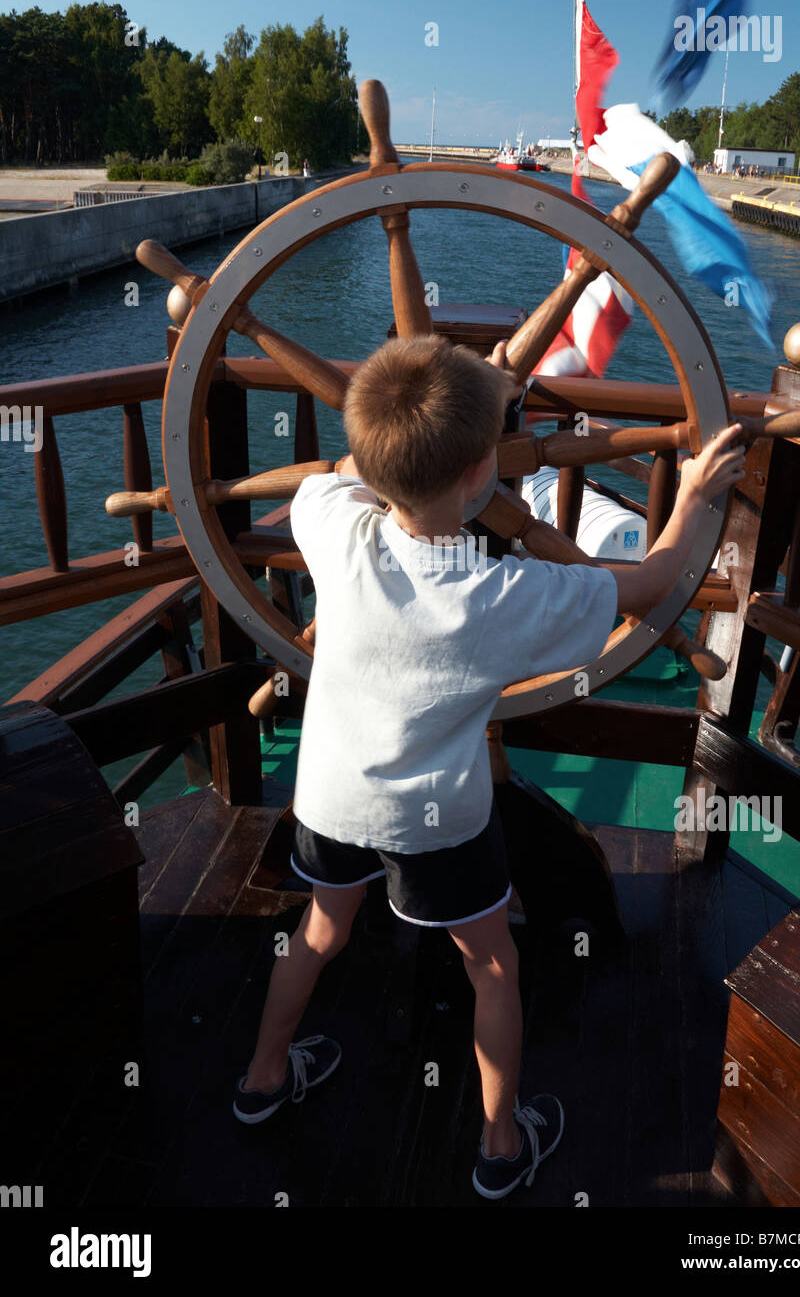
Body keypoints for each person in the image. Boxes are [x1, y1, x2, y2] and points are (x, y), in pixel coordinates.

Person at [232, 334, 746, 1198]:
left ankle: (261, 1080)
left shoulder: (331, 525)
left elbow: (349, 470)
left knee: (322, 932)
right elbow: (655, 580)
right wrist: (693, 492)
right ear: (487, 475)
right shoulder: (502, 599)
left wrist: (442, 417)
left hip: (326, 799)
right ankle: (501, 1144)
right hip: (437, 825)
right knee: (493, 964)